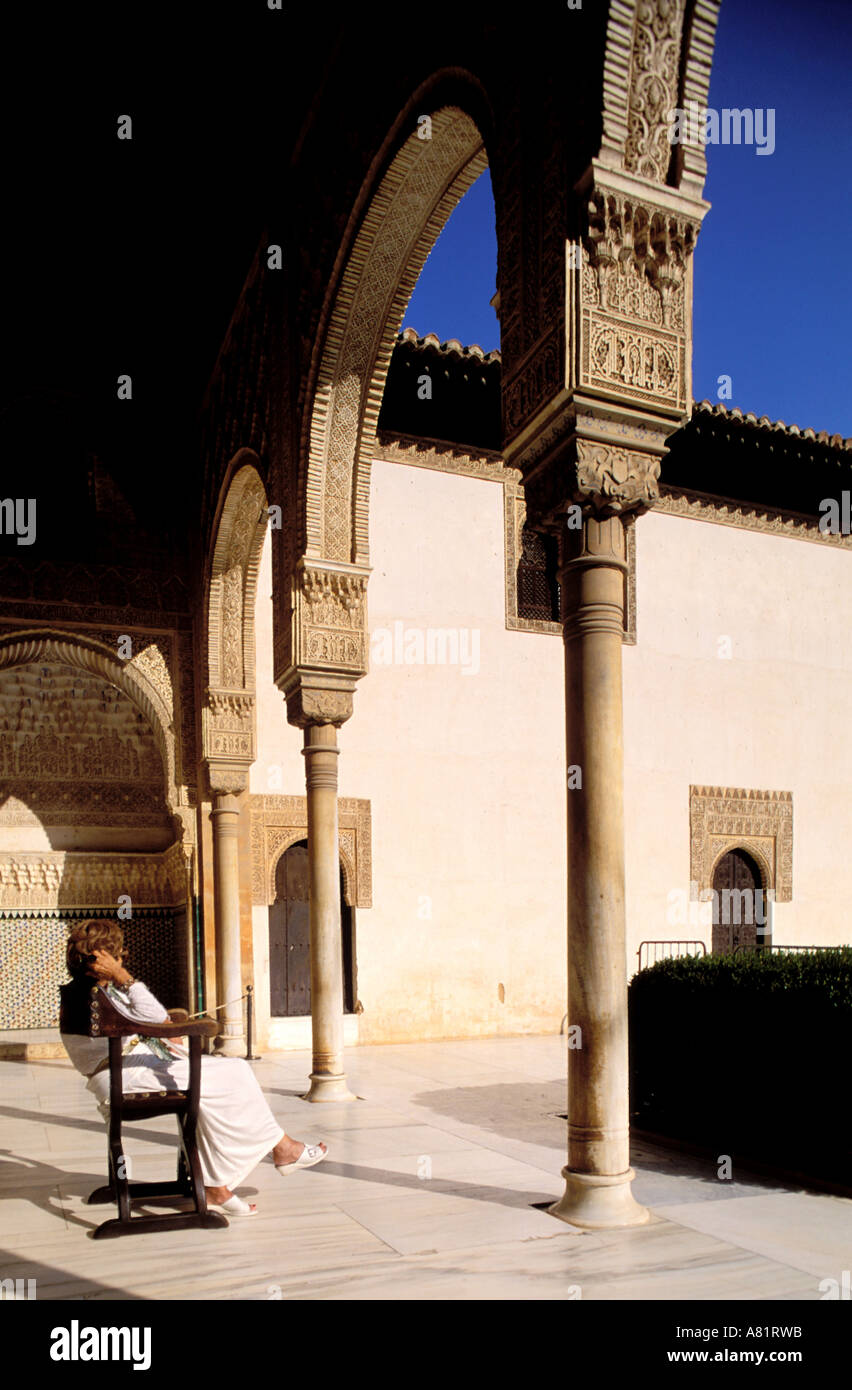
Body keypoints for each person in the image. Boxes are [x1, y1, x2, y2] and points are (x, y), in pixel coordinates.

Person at [59, 919, 327, 1217]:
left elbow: (150, 1021)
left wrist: (156, 1026)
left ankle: (222, 1185)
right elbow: (157, 1019)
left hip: (124, 1069)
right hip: (125, 1076)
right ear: (103, 959)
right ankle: (280, 1149)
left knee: (220, 1085)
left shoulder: (90, 992)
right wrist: (123, 977)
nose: (123, 960)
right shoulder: (96, 994)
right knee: (236, 1071)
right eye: (119, 956)